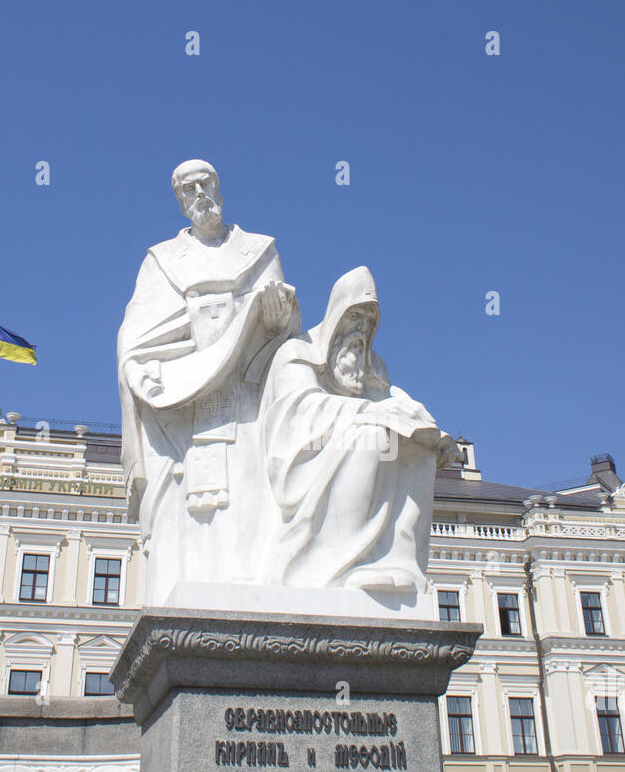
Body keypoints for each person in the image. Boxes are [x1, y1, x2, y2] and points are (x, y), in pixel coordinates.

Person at [117, 160, 297, 602]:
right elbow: (136, 340)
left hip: (249, 397)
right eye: (186, 189)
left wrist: (277, 316)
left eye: (204, 183)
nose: (198, 193)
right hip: (184, 401)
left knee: (250, 491)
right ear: (179, 202)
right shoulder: (161, 261)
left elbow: (289, 333)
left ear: (219, 187)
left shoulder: (260, 250)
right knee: (193, 509)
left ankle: (251, 590)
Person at [256, 266, 459, 598]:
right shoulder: (299, 352)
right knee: (374, 438)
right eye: (354, 317)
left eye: (369, 320)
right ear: (336, 315)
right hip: (304, 459)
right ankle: (339, 564)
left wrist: (432, 433)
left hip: (349, 447)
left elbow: (396, 404)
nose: (361, 328)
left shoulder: (373, 367)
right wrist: (371, 412)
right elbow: (299, 412)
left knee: (417, 450)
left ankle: (397, 563)